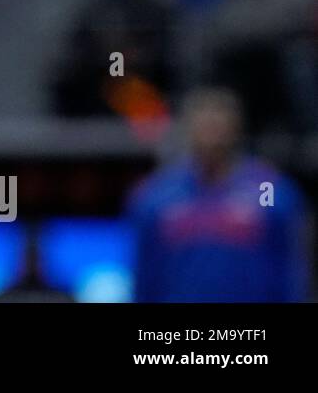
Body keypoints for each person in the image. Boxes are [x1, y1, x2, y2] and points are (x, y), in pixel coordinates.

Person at [127, 86, 311, 302]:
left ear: (237, 128)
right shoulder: (156, 195)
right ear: (188, 128)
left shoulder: (270, 190)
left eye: (219, 123)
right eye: (205, 123)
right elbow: (144, 275)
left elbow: (291, 270)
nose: (212, 132)